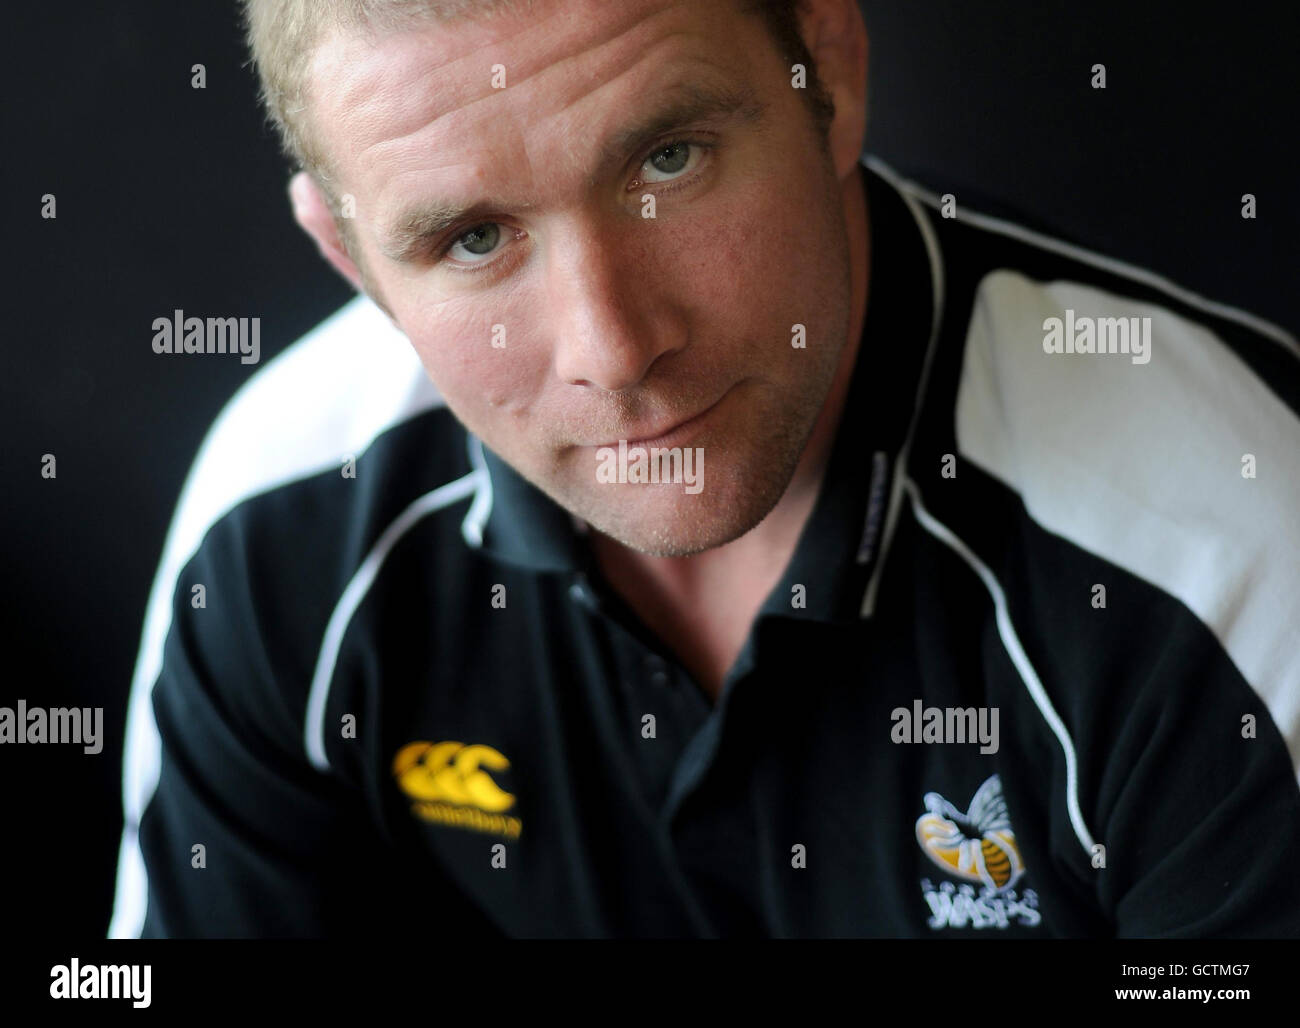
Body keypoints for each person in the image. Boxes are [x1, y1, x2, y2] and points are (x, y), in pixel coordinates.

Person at [109, 0, 1300, 937]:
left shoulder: (1222, 543)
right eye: (473, 239)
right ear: (350, 255)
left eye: (668, 160)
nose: (614, 350)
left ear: (826, 71)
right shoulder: (280, 526)